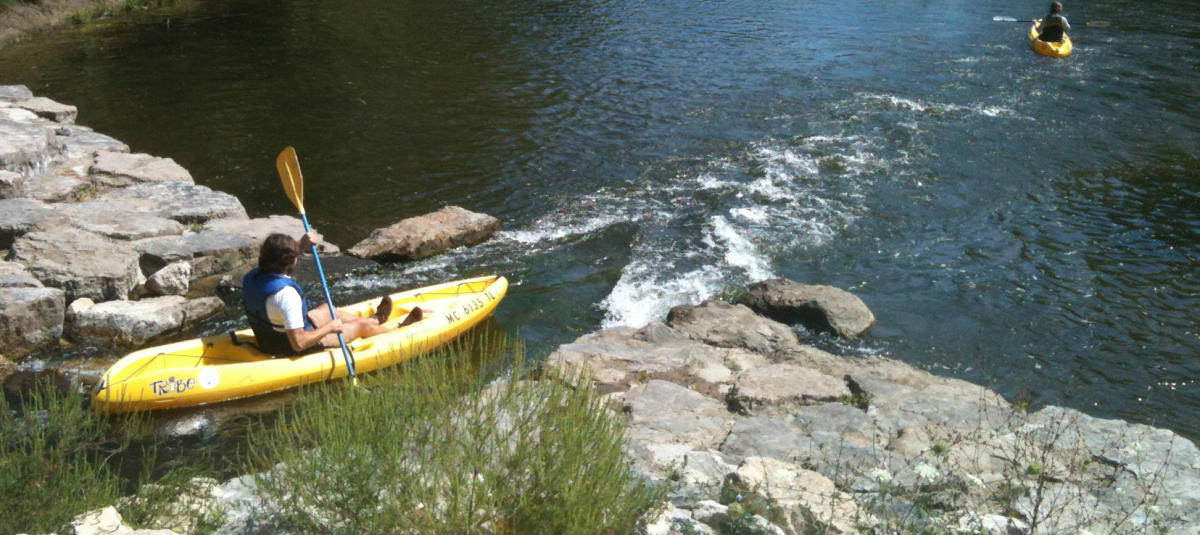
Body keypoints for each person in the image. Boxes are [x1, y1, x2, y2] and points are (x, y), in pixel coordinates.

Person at [242, 232, 420, 355]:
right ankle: (396, 333)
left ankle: (375, 320)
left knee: (328, 309)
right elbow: (299, 343)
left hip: (270, 336)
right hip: (289, 346)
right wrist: (329, 328)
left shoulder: (253, 276)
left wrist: (301, 245)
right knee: (359, 326)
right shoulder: (286, 295)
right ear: (290, 260)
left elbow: (279, 256)